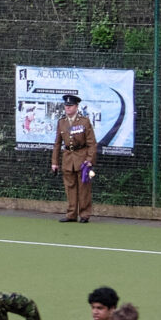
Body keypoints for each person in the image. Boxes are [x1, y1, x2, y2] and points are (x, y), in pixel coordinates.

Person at [52, 90, 99, 221]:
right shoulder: (61, 122)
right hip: (68, 159)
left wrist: (90, 160)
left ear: (76, 107)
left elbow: (92, 143)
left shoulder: (84, 122)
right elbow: (57, 143)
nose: (67, 108)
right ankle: (71, 214)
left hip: (82, 158)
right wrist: (54, 162)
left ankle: (84, 214)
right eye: (66, 106)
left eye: (70, 106)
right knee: (70, 188)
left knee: (84, 188)